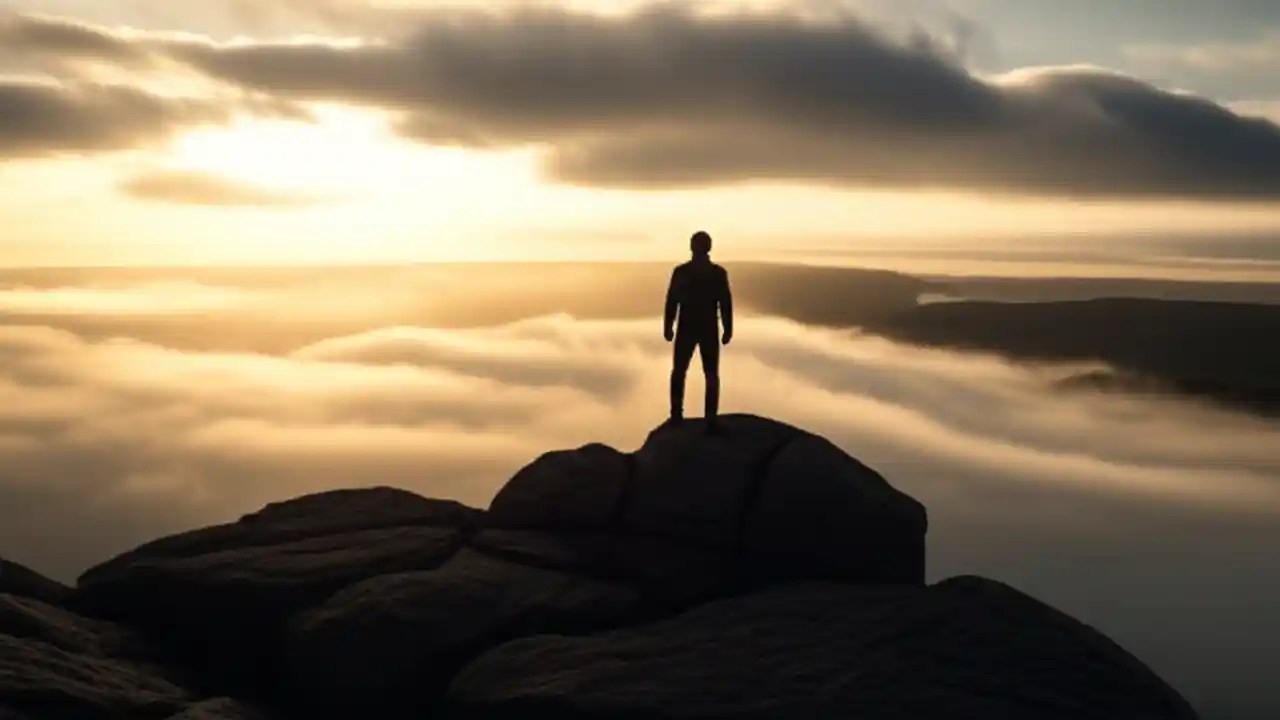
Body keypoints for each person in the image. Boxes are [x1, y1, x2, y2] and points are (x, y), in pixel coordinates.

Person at [664, 230, 733, 432]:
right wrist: (727, 329)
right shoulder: (717, 274)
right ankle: (709, 418)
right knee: (709, 373)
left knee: (682, 371)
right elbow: (725, 304)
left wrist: (668, 326)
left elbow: (672, 301)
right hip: (707, 327)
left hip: (689, 326)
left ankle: (677, 415)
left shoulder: (683, 272)